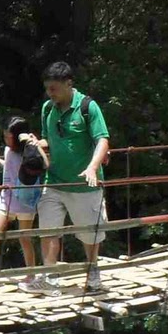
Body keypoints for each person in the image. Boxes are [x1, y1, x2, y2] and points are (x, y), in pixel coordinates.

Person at [24, 61, 111, 295]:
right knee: (48, 230)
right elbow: (49, 140)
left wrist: (93, 167)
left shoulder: (87, 107)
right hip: (54, 181)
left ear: (68, 84)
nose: (49, 93)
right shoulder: (47, 109)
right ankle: (50, 279)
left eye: (54, 88)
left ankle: (93, 275)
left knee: (89, 234)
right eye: (47, 88)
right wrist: (36, 143)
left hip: (84, 184)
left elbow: (102, 139)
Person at [0, 116, 43, 280]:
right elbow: (9, 169)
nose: (6, 139)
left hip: (25, 200)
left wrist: (34, 144)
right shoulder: (8, 150)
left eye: (9, 136)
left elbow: (45, 165)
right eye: (5, 135)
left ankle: (31, 275)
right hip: (6, 198)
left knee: (24, 238)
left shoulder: (30, 153)